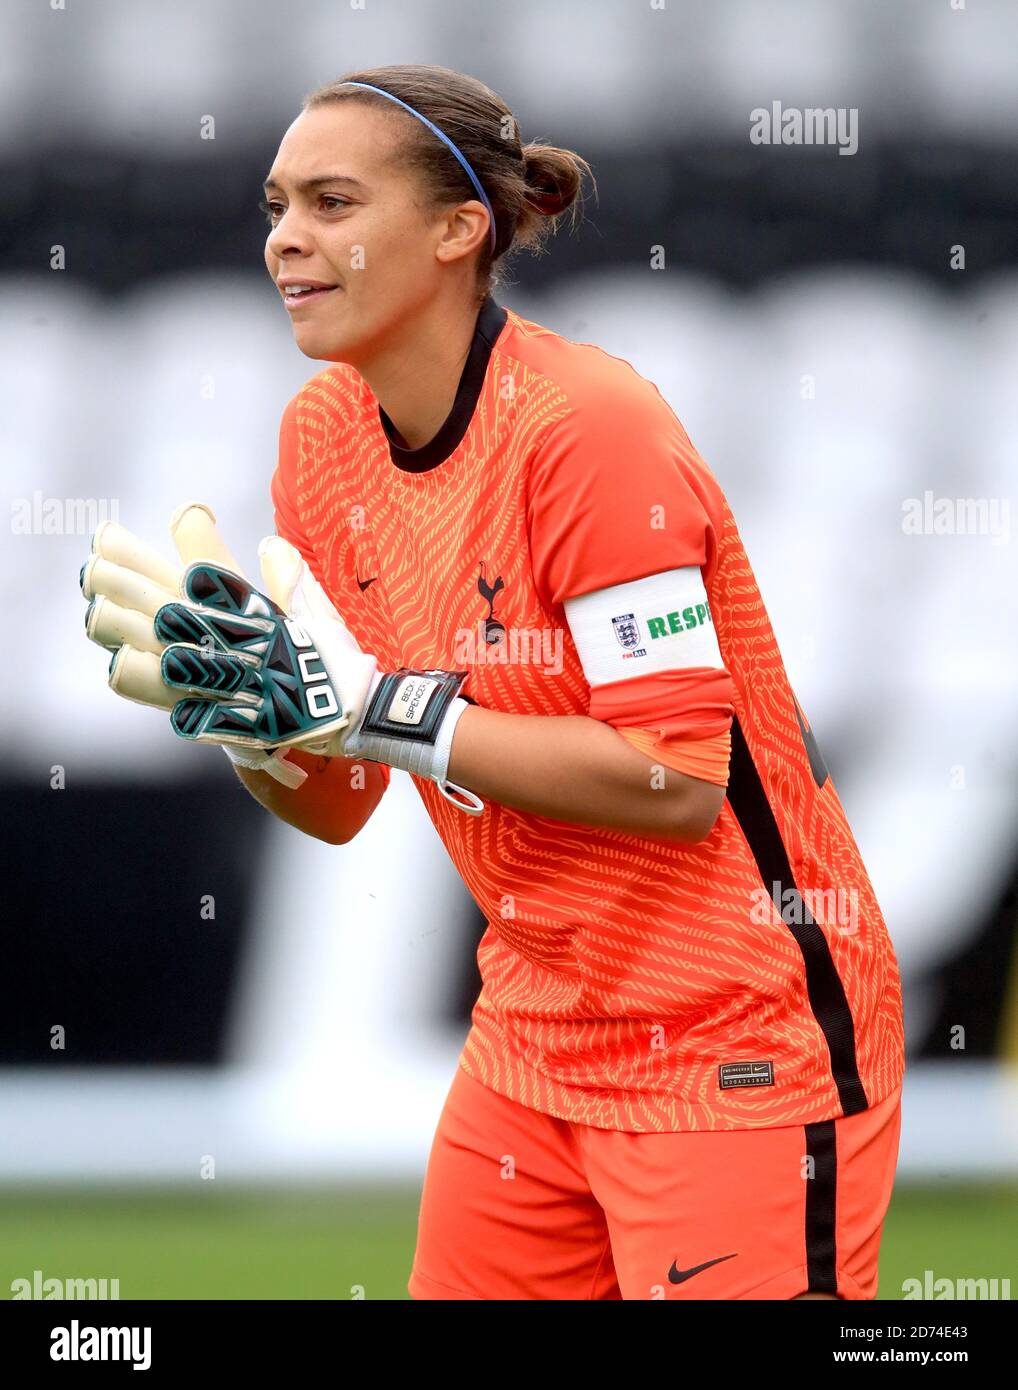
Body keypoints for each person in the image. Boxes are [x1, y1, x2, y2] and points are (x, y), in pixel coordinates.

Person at [85, 63, 905, 1300]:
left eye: (331, 202)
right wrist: (254, 721)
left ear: (460, 229)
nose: (285, 241)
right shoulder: (321, 433)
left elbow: (676, 775)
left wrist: (370, 708)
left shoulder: (589, 427)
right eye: (274, 205)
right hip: (530, 1039)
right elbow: (342, 795)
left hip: (739, 1037)